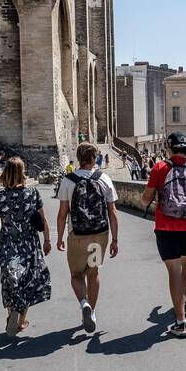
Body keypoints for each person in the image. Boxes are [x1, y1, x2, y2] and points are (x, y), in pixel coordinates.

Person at [142, 132, 186, 338]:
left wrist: (150, 199)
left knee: (174, 271)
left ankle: (180, 322)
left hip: (166, 226)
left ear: (169, 148)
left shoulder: (160, 167)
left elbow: (145, 199)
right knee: (183, 266)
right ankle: (183, 303)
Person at [56, 142, 119, 333]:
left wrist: (59, 238)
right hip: (99, 235)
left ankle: (84, 303)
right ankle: (92, 311)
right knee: (93, 273)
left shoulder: (68, 180)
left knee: (77, 275)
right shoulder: (104, 179)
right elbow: (112, 212)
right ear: (94, 158)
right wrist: (115, 239)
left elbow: (62, 214)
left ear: (79, 158)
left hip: (77, 235)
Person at [0, 156, 52, 336]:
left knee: (10, 279)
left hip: (8, 244)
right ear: (22, 172)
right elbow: (43, 220)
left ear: (6, 173)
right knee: (27, 281)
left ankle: (12, 312)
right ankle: (21, 319)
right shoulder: (32, 193)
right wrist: (47, 240)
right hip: (29, 244)